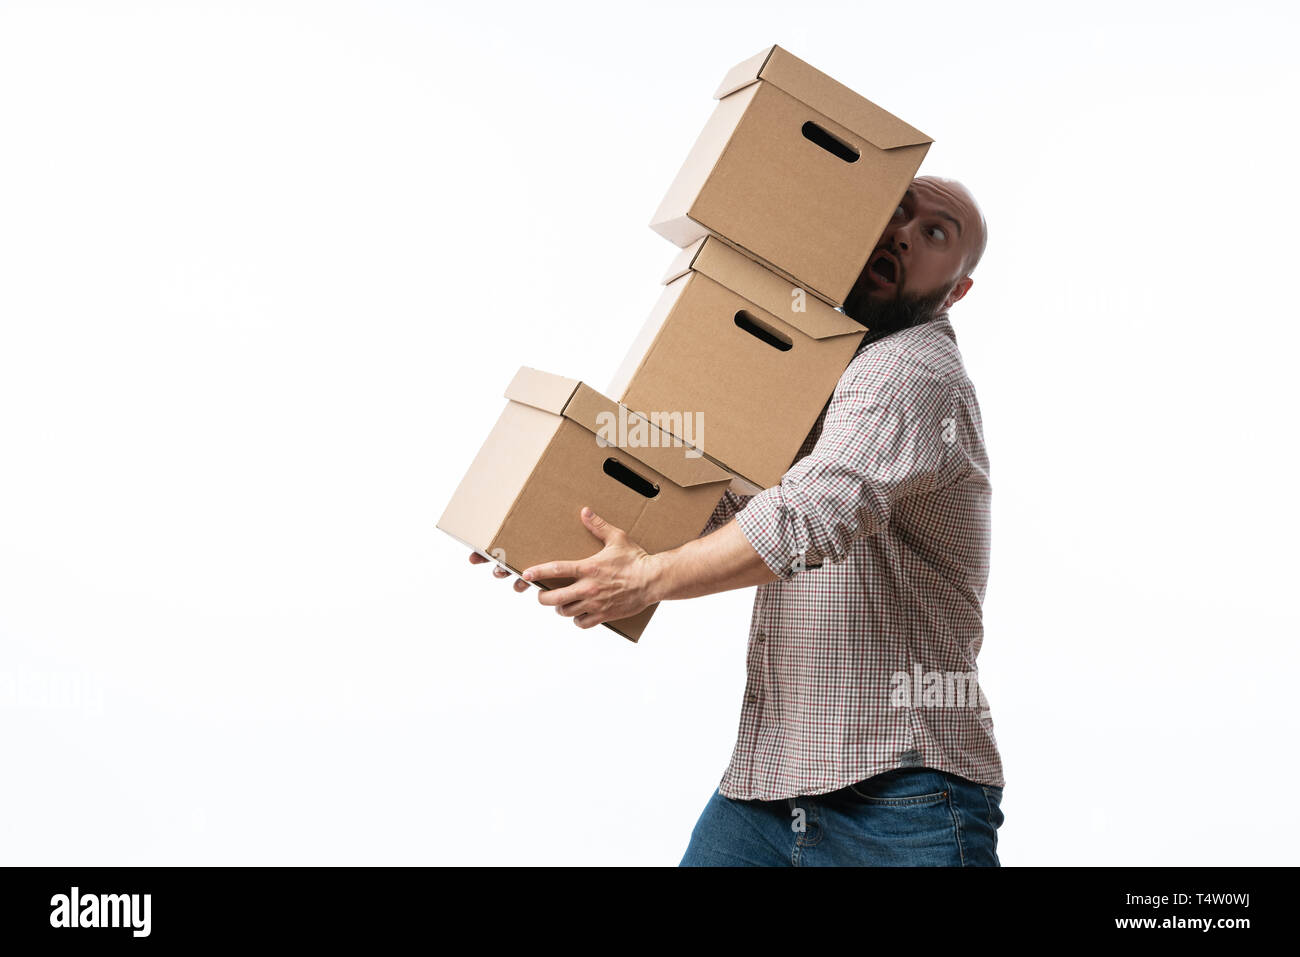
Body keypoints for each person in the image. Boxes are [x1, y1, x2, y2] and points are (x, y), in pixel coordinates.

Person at [468, 175, 1005, 866]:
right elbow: (727, 507)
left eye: (935, 233)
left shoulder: (913, 371)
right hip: (770, 787)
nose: (903, 231)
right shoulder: (819, 363)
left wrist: (648, 579)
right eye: (897, 209)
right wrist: (547, 534)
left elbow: (808, 514)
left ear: (956, 289)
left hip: (900, 796)